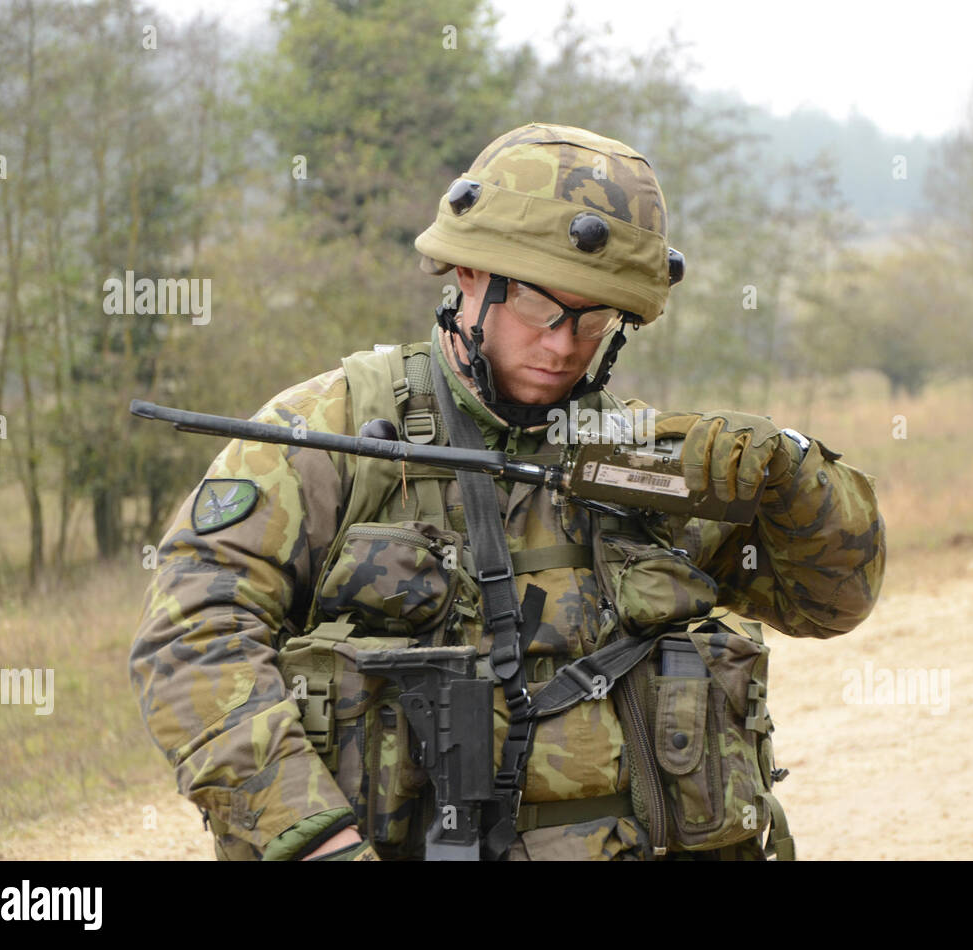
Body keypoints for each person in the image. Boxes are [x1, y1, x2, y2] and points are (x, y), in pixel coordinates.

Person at [129, 123, 885, 861]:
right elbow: (192, 639)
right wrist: (313, 838)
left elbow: (831, 601)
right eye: (536, 306)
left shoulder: (646, 461)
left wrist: (795, 479)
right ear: (468, 275)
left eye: (594, 320)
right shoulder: (332, 432)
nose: (562, 343)